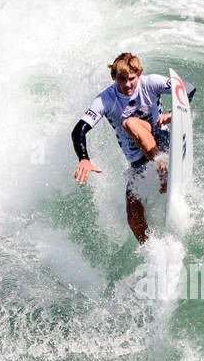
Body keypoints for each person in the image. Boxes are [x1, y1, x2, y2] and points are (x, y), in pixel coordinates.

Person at [72, 53, 195, 243]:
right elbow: (79, 129)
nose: (128, 84)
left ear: (139, 74)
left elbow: (187, 88)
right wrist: (84, 158)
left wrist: (173, 113)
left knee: (130, 124)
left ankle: (162, 167)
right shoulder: (105, 100)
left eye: (132, 78)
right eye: (122, 79)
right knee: (133, 217)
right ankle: (153, 251)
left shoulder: (150, 83)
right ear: (113, 77)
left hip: (163, 143)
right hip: (138, 163)